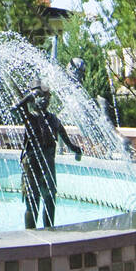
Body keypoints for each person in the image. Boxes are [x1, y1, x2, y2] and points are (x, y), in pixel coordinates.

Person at [11, 78, 82, 229]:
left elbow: (66, 140)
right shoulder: (29, 117)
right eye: (39, 97)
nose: (44, 100)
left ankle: (49, 230)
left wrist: (75, 148)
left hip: (48, 160)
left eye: (46, 96)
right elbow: (15, 109)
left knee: (50, 198)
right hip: (31, 162)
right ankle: (30, 233)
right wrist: (29, 97)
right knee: (32, 200)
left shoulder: (53, 119)